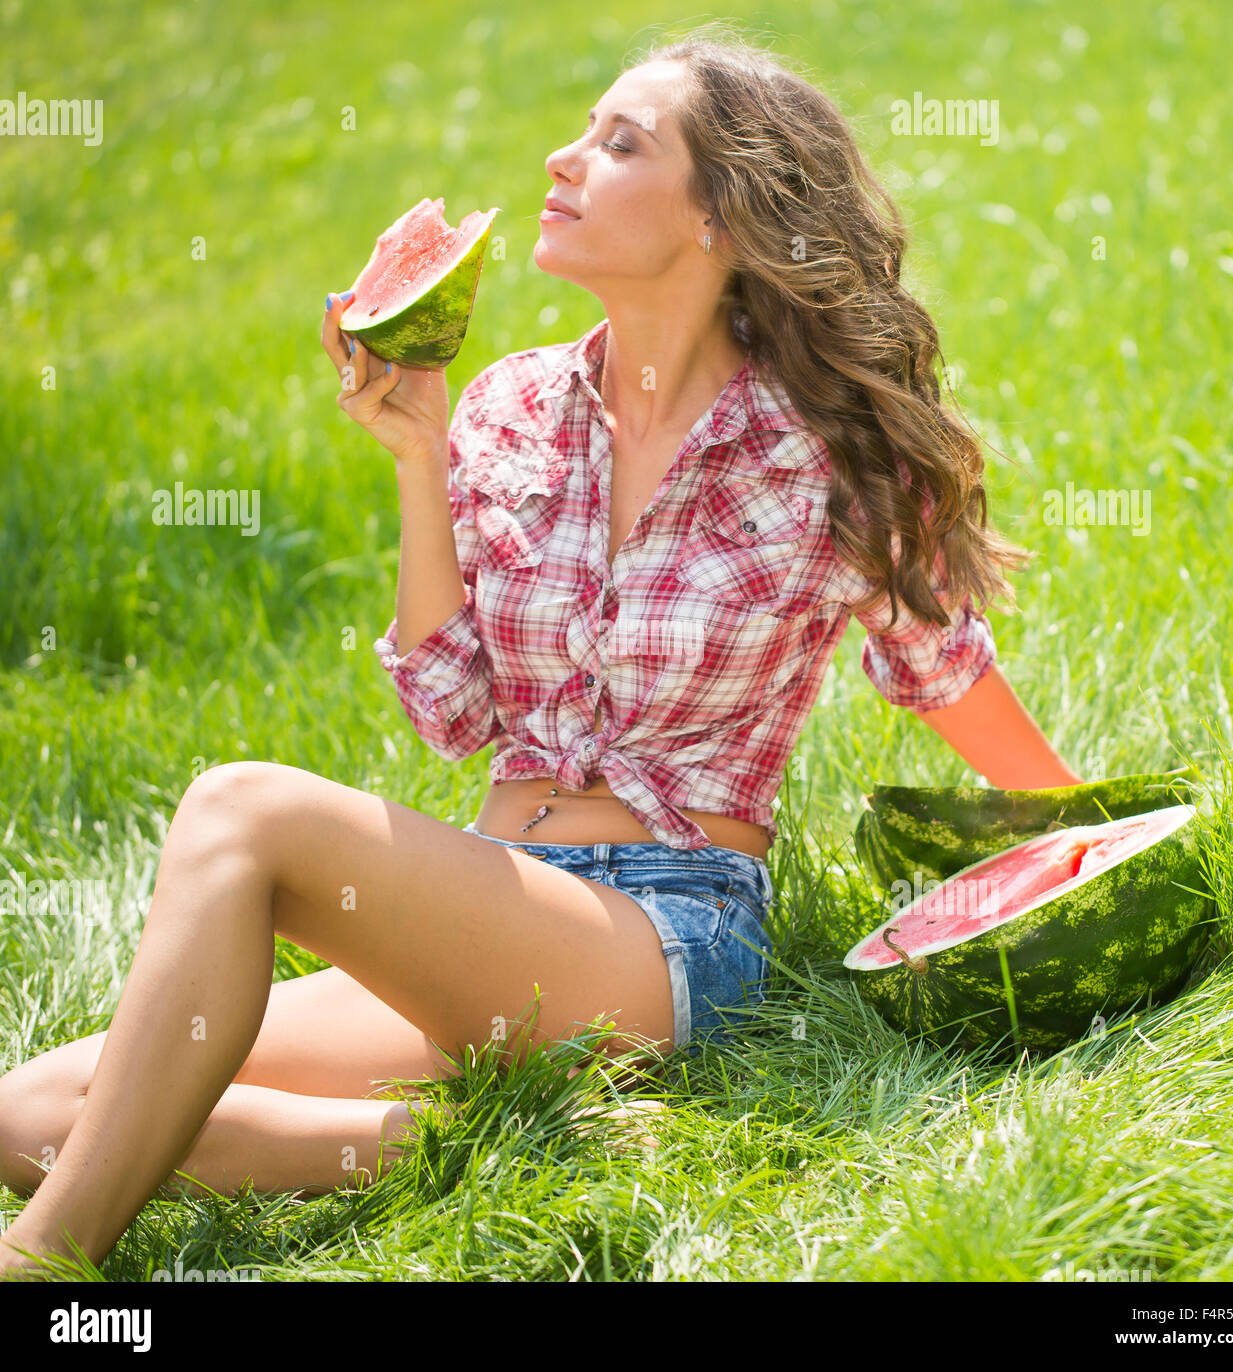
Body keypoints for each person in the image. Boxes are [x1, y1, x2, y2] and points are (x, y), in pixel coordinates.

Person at [0, 30, 1081, 1277]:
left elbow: (940, 671)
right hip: (498, 903)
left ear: (718, 222)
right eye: (582, 129)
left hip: (664, 931)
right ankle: (513, 1139)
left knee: (243, 811)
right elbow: (457, 711)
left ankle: (42, 1268)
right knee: (28, 1113)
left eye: (621, 144)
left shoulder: (822, 458)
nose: (562, 159)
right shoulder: (509, 406)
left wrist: (1085, 838)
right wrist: (418, 454)